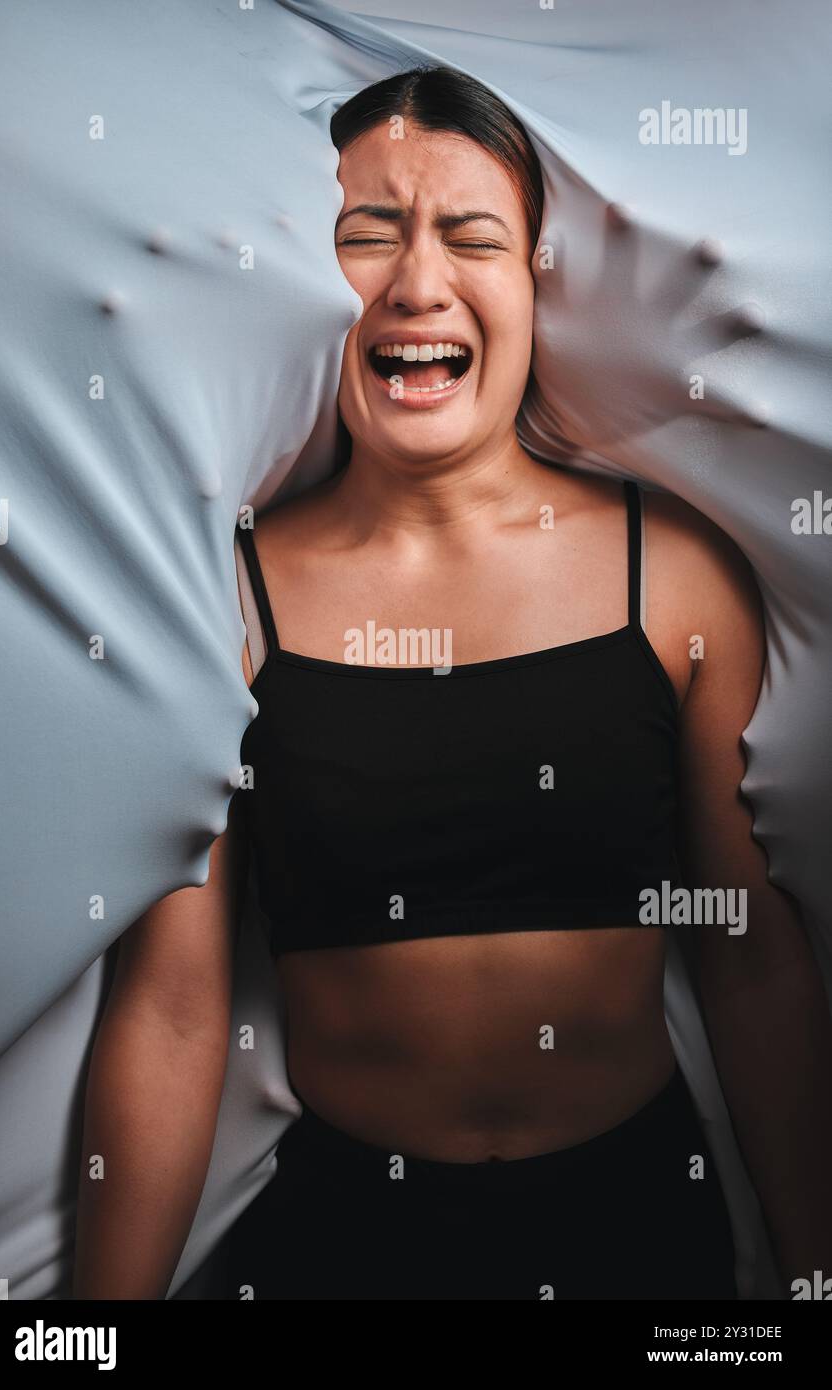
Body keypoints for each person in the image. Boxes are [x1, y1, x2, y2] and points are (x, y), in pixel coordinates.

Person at [73, 66, 832, 1301]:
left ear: (537, 277)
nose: (417, 282)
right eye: (365, 237)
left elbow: (749, 962)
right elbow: (170, 1007)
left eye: (471, 237)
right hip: (347, 1241)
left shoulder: (675, 578)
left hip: (639, 1228)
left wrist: (816, 1281)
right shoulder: (227, 606)